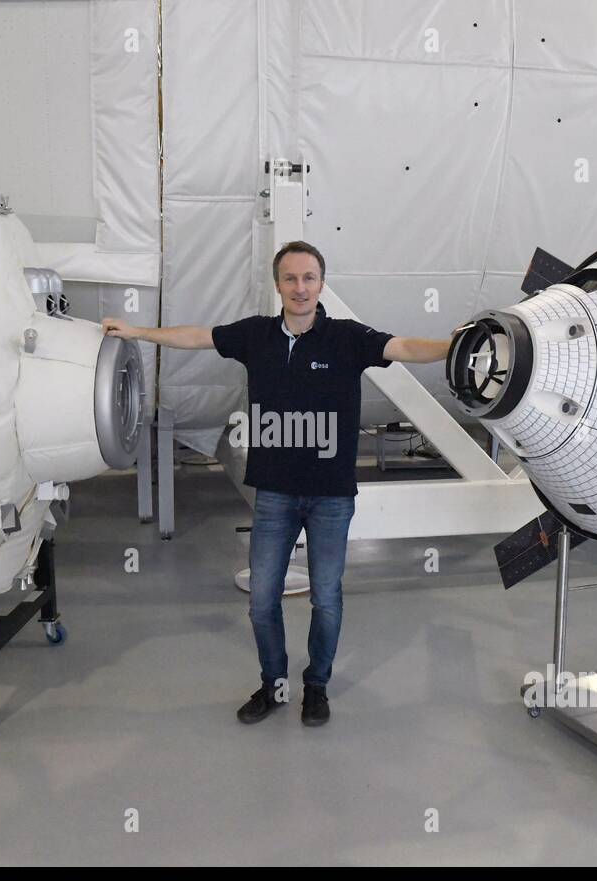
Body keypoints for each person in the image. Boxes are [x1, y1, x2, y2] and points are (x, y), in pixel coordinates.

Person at [103, 240, 451, 726]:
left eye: (309, 278)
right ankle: (275, 684)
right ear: (278, 285)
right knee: (263, 600)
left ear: (321, 283)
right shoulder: (257, 335)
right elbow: (196, 336)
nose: (300, 287)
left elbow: (406, 347)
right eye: (290, 278)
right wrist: (137, 331)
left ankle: (317, 687)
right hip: (274, 495)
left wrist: (456, 345)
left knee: (326, 599)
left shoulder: (348, 338)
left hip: (331, 496)